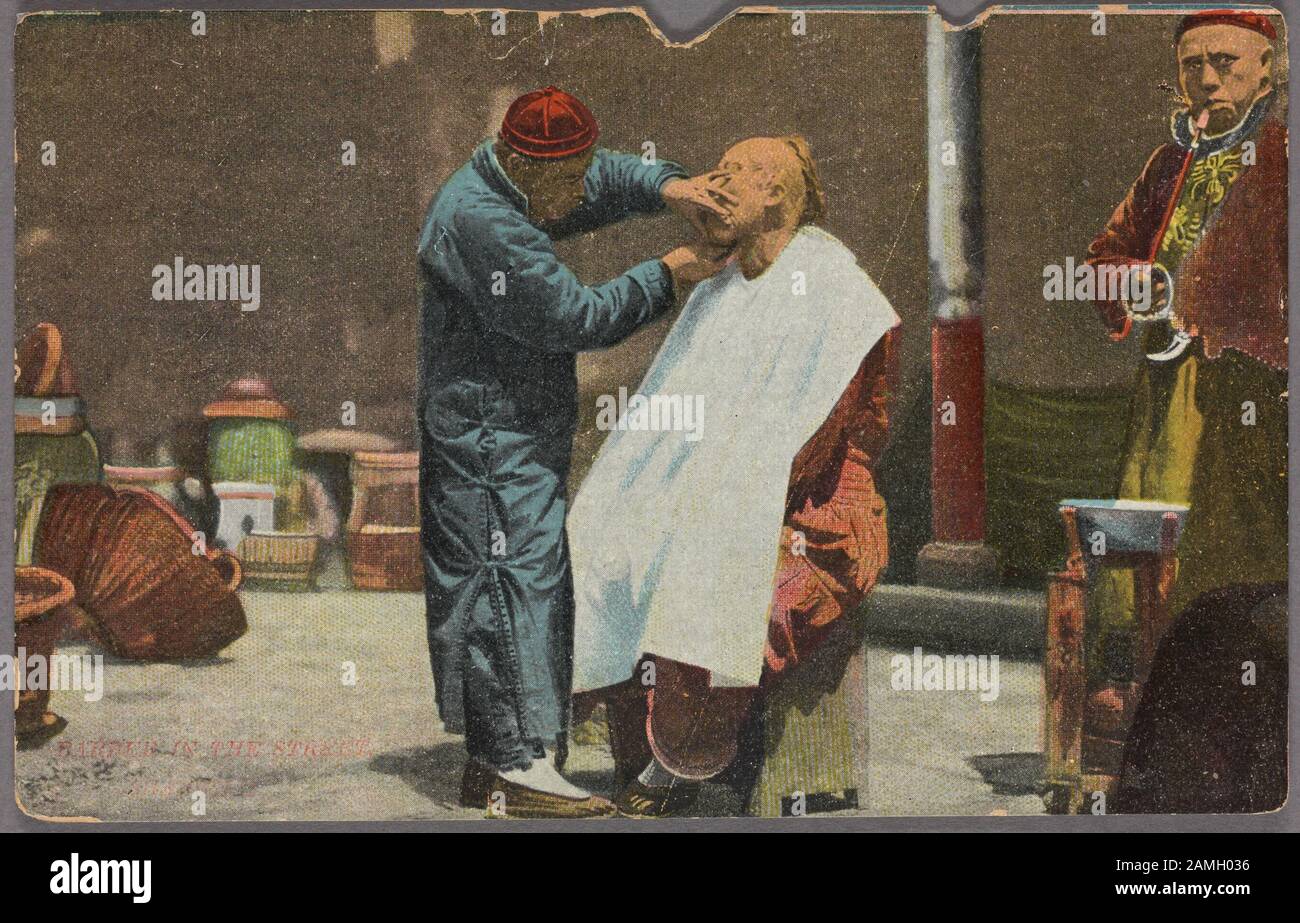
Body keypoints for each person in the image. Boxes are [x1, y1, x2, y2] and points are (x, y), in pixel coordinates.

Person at [417, 86, 733, 818]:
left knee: (527, 578)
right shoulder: (484, 222)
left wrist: (667, 184)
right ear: (519, 163)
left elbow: (596, 180)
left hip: (508, 428)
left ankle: (508, 757)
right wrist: (670, 271)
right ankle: (515, 764)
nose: (577, 194)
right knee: (506, 582)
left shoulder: (515, 182)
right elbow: (575, 315)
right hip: (487, 435)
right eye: (564, 181)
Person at [568, 137, 900, 816]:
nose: (711, 186)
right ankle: (640, 741)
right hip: (727, 490)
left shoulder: (834, 287)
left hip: (816, 509)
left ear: (775, 190)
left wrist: (704, 497)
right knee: (602, 525)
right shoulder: (721, 285)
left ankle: (681, 757)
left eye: (730, 176)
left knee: (706, 551)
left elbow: (809, 447)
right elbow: (668, 423)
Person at [1084, 11, 1287, 734]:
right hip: (1168, 388)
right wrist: (1134, 283)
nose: (1207, 77)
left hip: (1255, 389)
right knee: (1146, 538)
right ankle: (1145, 709)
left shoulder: (1284, 152)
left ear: (1267, 66)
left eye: (1226, 61)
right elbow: (1104, 256)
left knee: (1235, 553)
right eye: (1192, 63)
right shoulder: (1168, 162)